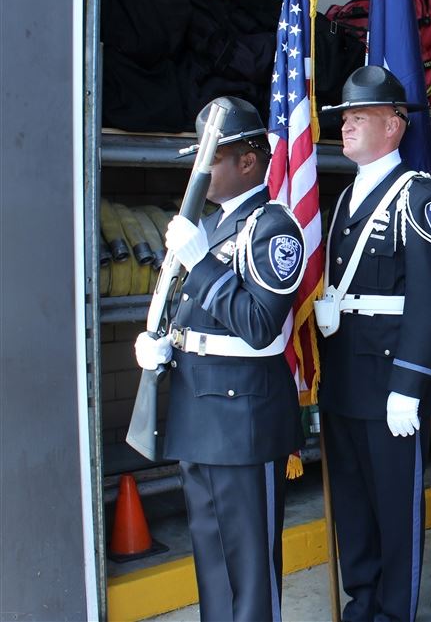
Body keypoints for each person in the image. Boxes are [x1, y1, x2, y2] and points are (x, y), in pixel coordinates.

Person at [133, 96, 306, 621]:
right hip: (200, 410)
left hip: (244, 418)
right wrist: (165, 344)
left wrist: (199, 262)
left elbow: (258, 326)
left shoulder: (273, 228)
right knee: (213, 564)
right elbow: (197, 315)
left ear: (247, 162)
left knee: (249, 567)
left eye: (211, 159)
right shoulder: (207, 227)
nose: (198, 173)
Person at [315, 65, 431, 622]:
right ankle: (363, 605)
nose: (347, 126)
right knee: (353, 509)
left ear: (396, 126)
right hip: (347, 378)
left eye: (360, 117)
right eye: (345, 117)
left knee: (394, 511)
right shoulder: (345, 198)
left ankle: (393, 612)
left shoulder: (422, 200)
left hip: (390, 385)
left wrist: (409, 385)